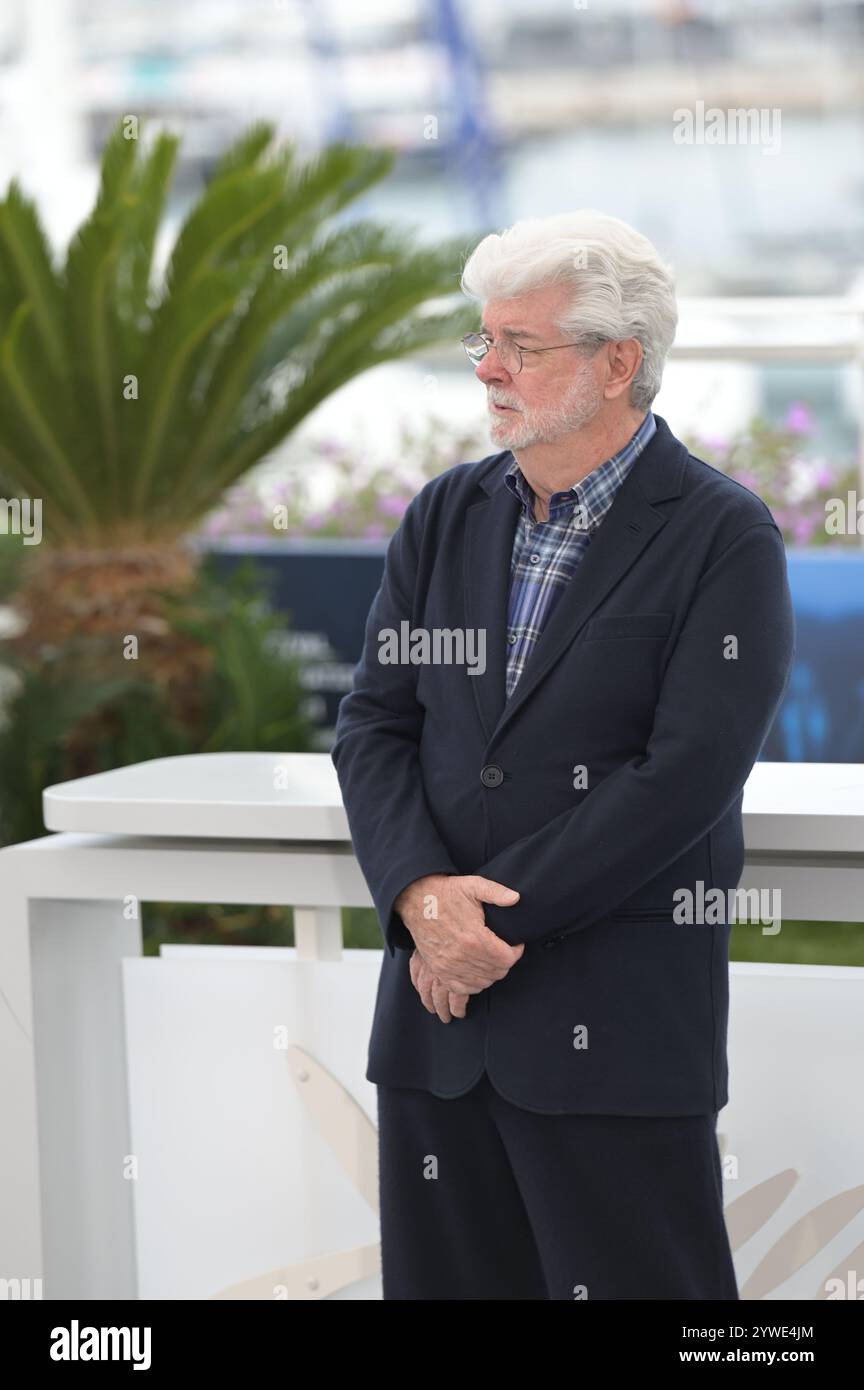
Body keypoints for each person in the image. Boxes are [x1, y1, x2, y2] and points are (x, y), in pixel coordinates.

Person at [331, 210, 796, 1300]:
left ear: (618, 362)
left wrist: (482, 921)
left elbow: (686, 774)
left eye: (520, 346)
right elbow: (375, 725)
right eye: (482, 341)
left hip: (617, 1040)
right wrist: (418, 901)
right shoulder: (444, 515)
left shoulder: (724, 537)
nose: (488, 369)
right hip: (436, 1033)